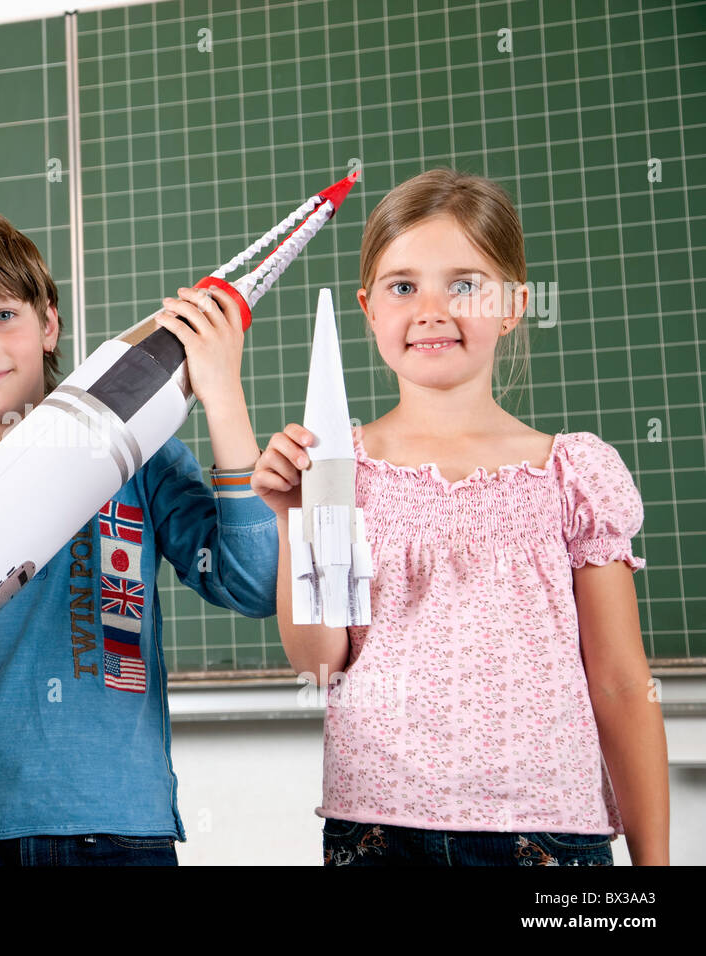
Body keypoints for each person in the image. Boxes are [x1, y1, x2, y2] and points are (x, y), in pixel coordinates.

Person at [253, 169, 670, 866]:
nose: (432, 309)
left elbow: (623, 683)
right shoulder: (336, 468)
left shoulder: (571, 474)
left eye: (466, 284)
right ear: (369, 309)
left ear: (514, 305)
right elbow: (320, 663)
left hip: (547, 834)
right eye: (403, 285)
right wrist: (296, 519)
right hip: (378, 831)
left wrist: (655, 871)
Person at [0, 207, 276, 865]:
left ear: (48, 323)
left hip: (117, 831)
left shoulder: (137, 460)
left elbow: (254, 583)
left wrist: (222, 396)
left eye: (3, 315)